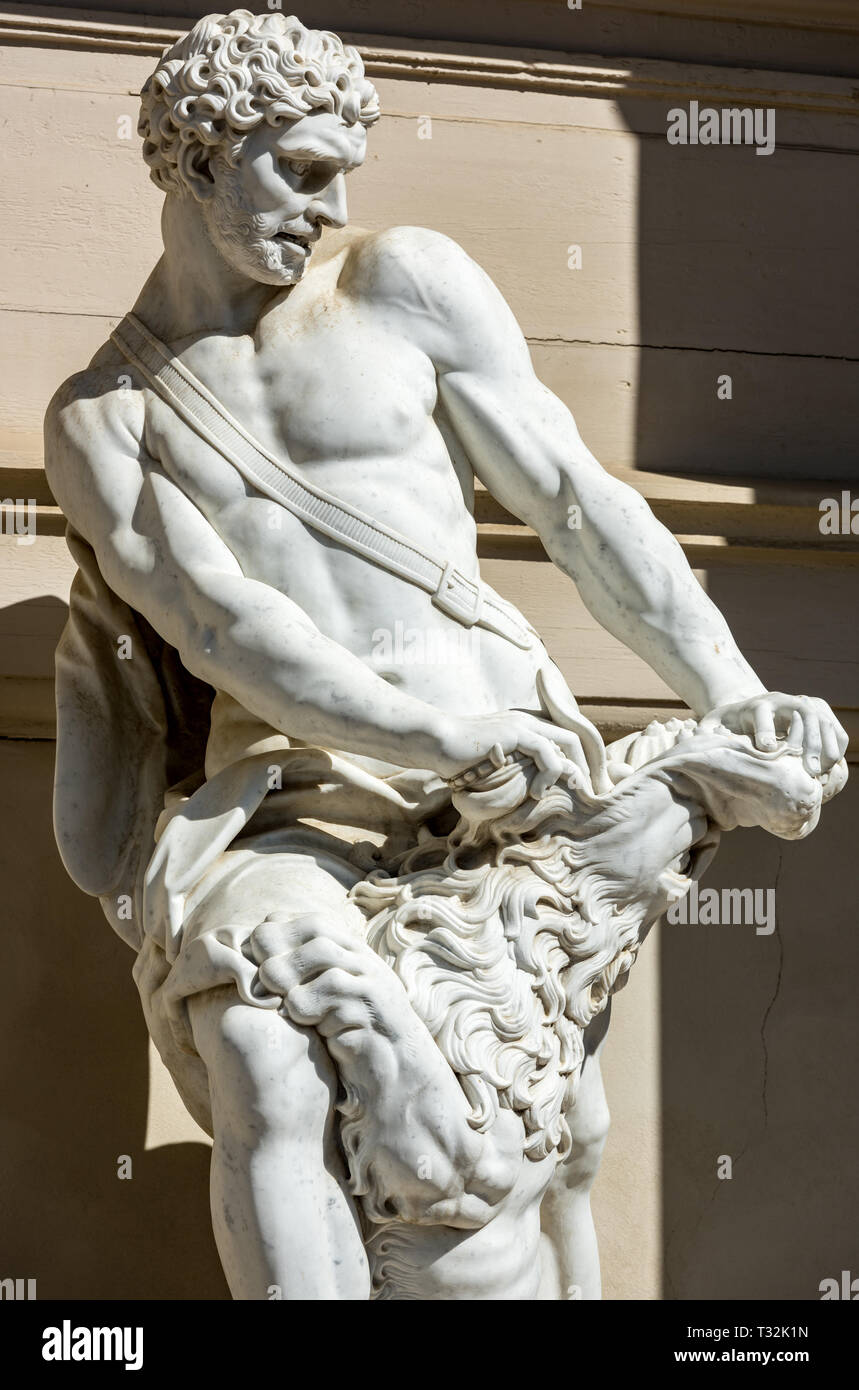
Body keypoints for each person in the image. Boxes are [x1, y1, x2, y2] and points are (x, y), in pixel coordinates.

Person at [45, 9, 847, 1299]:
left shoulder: (402, 283)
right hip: (295, 804)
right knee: (259, 1043)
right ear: (198, 158)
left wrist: (734, 689)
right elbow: (226, 629)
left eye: (344, 170)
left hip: (512, 776)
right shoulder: (105, 419)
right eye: (300, 171)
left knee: (560, 1136)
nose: (333, 204)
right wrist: (437, 740)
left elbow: (578, 505)